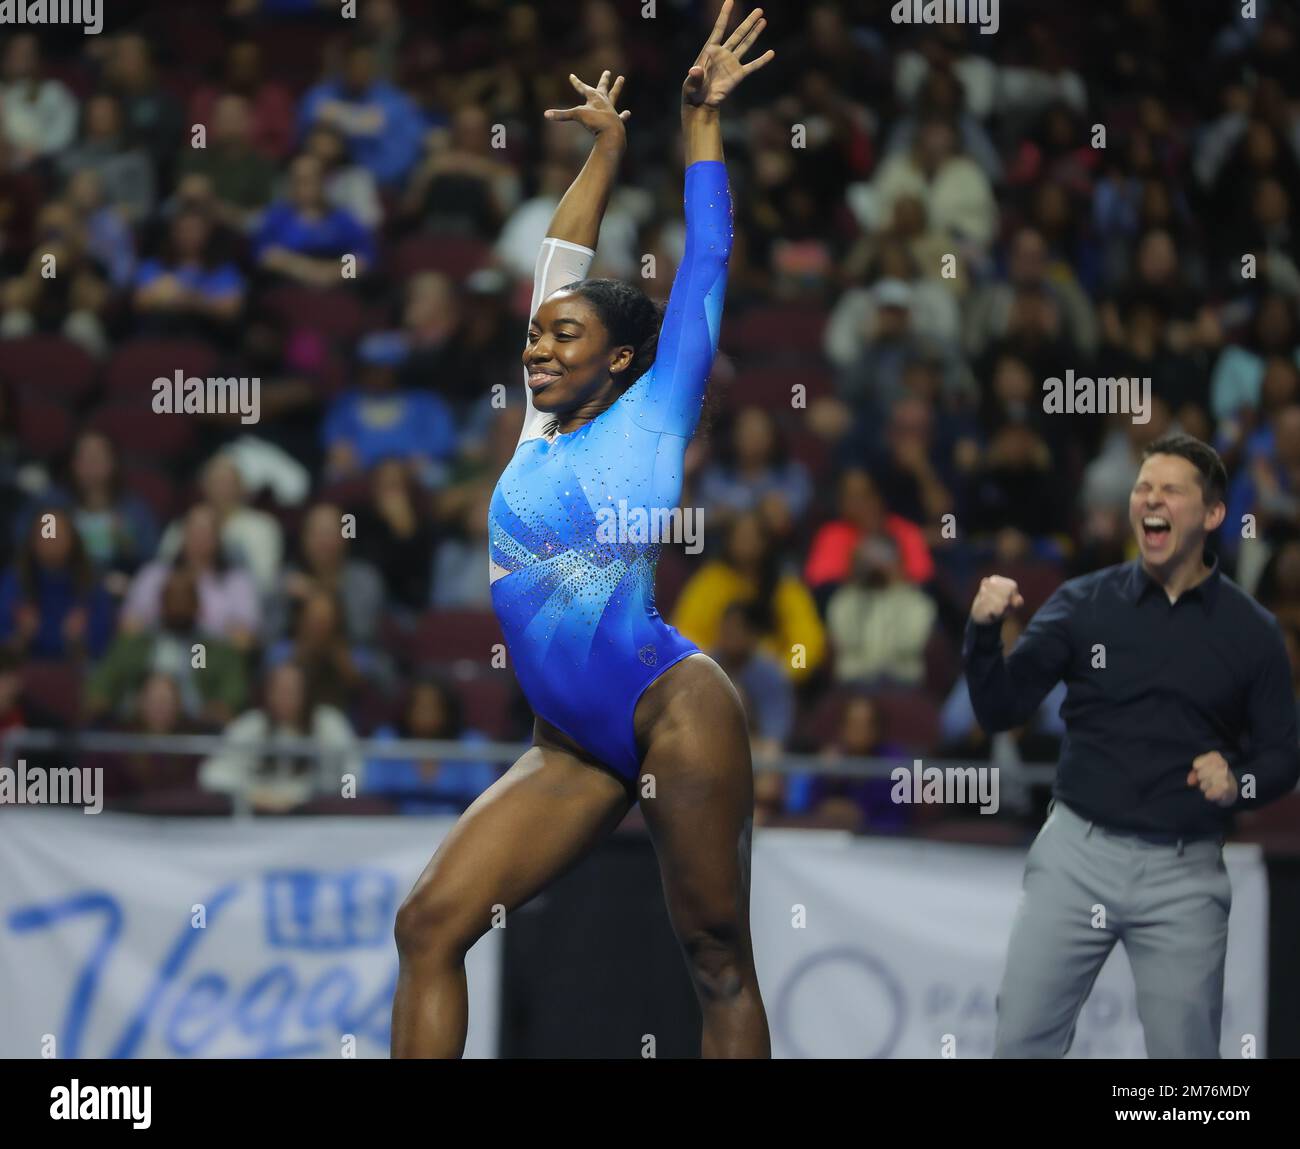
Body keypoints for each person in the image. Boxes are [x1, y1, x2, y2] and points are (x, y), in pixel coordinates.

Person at [391, 2, 775, 1060]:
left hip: (668, 709)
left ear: (618, 360)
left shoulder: (656, 408)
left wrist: (697, 122)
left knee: (716, 957)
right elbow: (563, 252)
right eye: (533, 335)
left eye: (563, 336)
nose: (539, 347)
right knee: (428, 926)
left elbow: (708, 255)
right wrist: (605, 146)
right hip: (568, 745)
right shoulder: (536, 422)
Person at [965, 432, 1300, 1058]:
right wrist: (984, 635)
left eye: (1172, 490)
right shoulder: (1082, 604)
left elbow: (1284, 755)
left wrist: (1239, 781)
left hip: (1184, 874)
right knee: (1018, 1048)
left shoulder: (1252, 634)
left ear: (1213, 514)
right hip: (1075, 856)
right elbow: (1001, 707)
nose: (1151, 499)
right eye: (1144, 487)